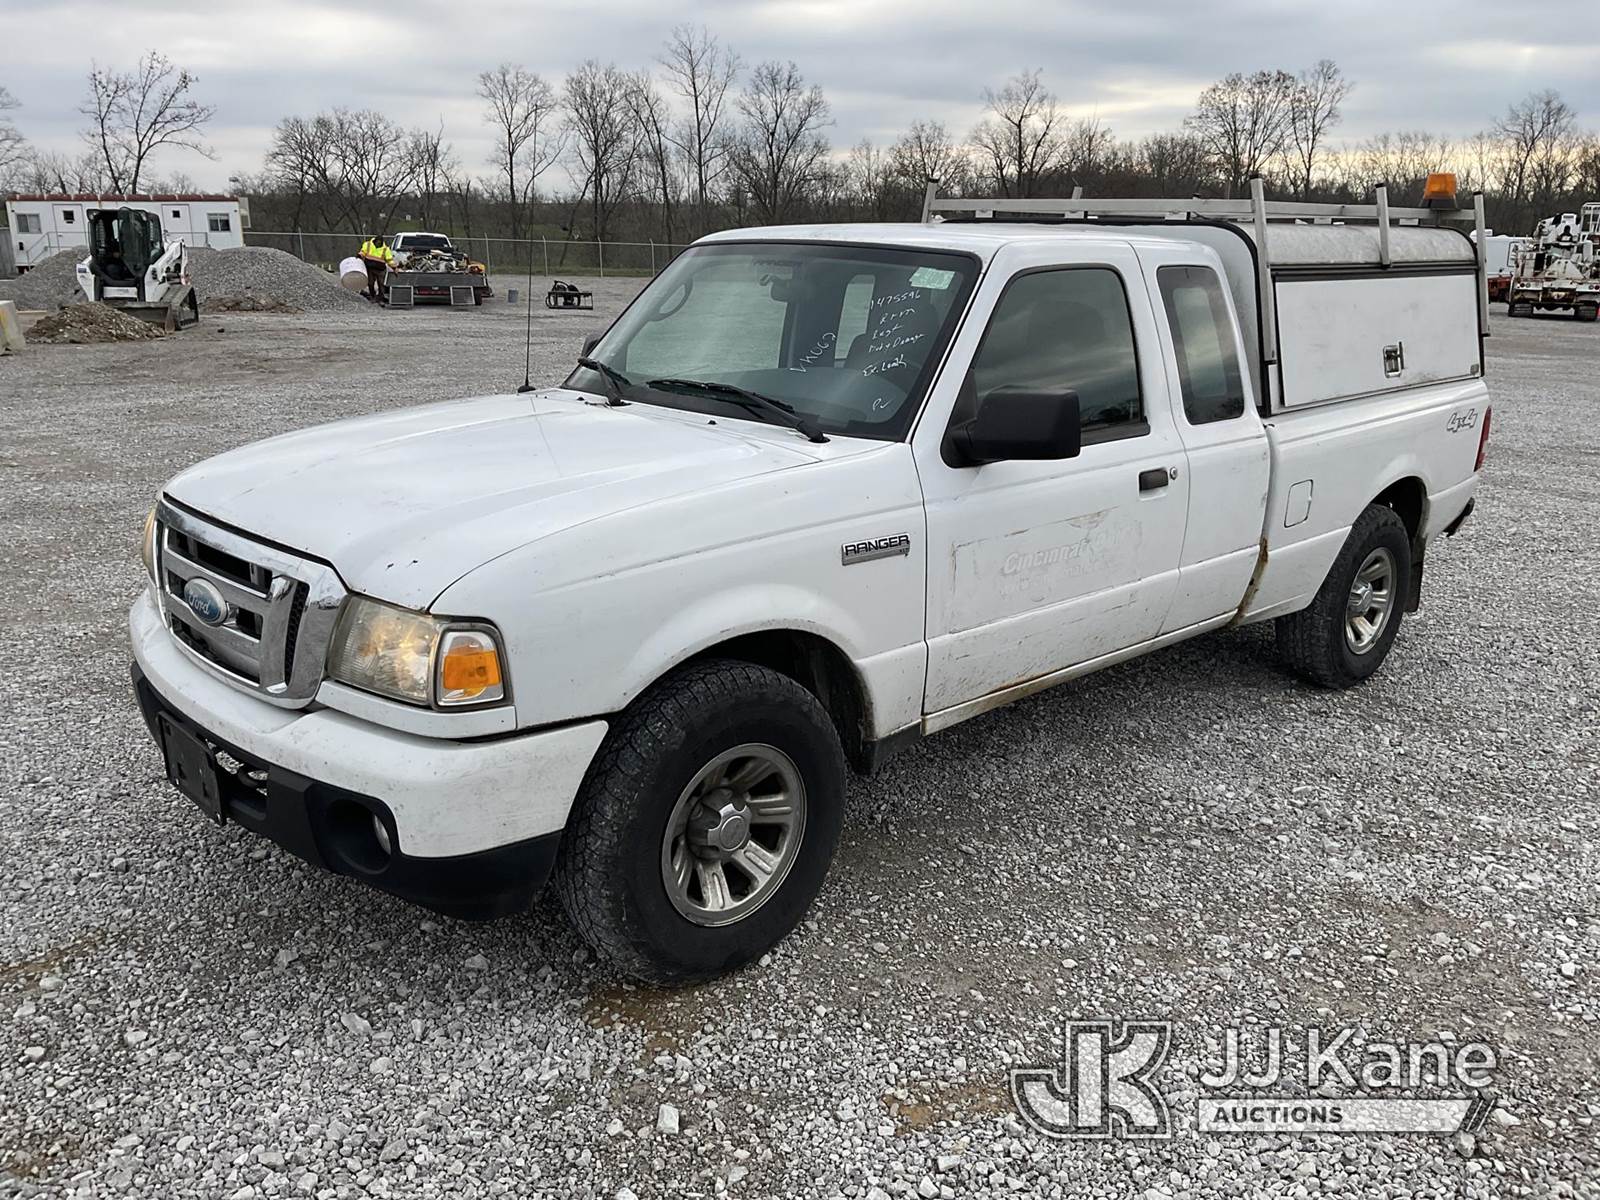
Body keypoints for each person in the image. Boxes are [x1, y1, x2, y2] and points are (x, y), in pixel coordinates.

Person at [358, 235, 396, 301]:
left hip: (380, 269)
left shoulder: (385, 249)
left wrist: (394, 268)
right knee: (370, 283)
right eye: (377, 242)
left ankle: (381, 298)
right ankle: (373, 296)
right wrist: (360, 255)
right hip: (370, 268)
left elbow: (389, 260)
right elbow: (363, 251)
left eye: (380, 242)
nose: (378, 243)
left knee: (381, 284)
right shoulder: (368, 245)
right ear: (375, 241)